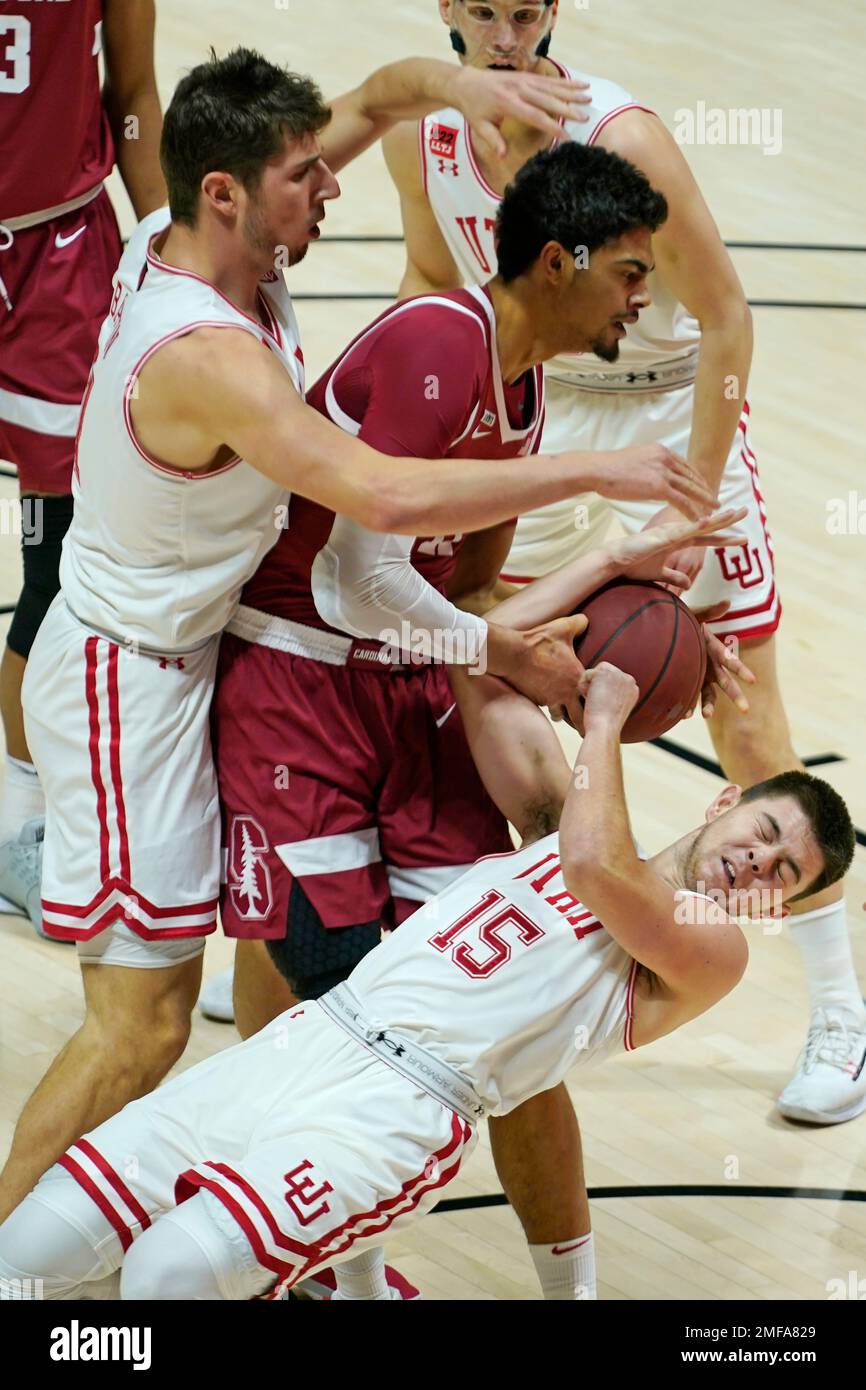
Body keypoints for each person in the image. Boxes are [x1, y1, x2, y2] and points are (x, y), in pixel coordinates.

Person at [0, 46, 714, 1227]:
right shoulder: (208, 353)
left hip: (212, 643)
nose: (329, 187)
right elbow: (378, 503)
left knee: (257, 973)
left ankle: (249, 1231)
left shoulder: (217, 227)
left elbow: (377, 100)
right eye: (304, 176)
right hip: (132, 678)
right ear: (224, 191)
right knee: (140, 1026)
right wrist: (603, 468)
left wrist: (466, 90)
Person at [207, 142, 753, 1300]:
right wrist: (507, 647)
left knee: (508, 1000)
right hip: (301, 683)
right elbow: (352, 581)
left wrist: (626, 597)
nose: (640, 298)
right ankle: (330, 1278)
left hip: (406, 688)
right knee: (343, 997)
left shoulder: (520, 384)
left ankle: (572, 1293)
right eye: (626, 271)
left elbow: (455, 602)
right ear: (555, 263)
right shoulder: (435, 343)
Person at [0, 560, 852, 1300]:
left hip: (402, 1110)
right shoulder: (562, 823)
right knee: (23, 1259)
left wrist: (603, 720)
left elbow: (602, 871)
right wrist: (615, 561)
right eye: (765, 834)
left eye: (784, 874)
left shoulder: (711, 950)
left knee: (165, 1278)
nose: (758, 864)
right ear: (724, 802)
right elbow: (475, 659)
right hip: (308, 1039)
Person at [381, 0, 866, 1124]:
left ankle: (840, 1008)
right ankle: (397, 925)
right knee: (465, 664)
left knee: (744, 723)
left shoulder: (622, 134)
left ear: (549, 14)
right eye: (483, 11)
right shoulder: (430, 131)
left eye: (523, 12)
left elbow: (727, 318)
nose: (504, 34)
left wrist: (689, 500)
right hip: (537, 417)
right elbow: (423, 274)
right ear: (447, 10)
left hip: (663, 417)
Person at [0, 0, 165, 936]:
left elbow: (133, 96)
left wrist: (172, 250)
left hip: (59, 261)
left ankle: (22, 828)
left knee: (54, 566)